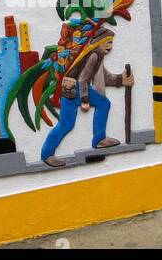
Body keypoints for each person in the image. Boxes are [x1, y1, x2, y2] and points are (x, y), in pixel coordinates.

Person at [41, 28, 134, 168]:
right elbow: (83, 79)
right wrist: (85, 100)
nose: (110, 46)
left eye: (111, 43)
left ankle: (98, 139)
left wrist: (121, 80)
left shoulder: (97, 56)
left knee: (68, 123)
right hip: (76, 90)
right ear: (99, 42)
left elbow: (104, 77)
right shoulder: (93, 56)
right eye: (108, 42)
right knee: (101, 105)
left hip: (73, 90)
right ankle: (48, 154)